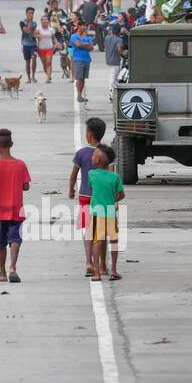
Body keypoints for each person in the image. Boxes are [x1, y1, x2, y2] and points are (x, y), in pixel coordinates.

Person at [0, 128, 31, 283]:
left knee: (1, 242)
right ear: (11, 144)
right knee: (15, 239)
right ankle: (13, 267)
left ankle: (2, 273)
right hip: (16, 210)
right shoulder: (20, 164)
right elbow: (26, 187)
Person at [68, 117, 107, 277]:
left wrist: (71, 189)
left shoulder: (81, 153)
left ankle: (89, 262)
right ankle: (103, 266)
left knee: (88, 231)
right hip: (103, 198)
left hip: (85, 196)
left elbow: (74, 174)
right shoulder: (107, 153)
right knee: (102, 232)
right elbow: (111, 173)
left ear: (89, 134)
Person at [88, 144, 123, 281]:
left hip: (98, 212)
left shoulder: (92, 174)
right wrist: (114, 199)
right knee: (114, 241)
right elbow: (121, 194)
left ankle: (97, 273)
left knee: (97, 241)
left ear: (97, 161)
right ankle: (113, 269)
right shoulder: (114, 177)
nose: (92, 157)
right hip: (110, 212)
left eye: (94, 155)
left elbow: (92, 188)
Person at [70, 21, 95, 103]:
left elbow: (91, 48)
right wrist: (86, 45)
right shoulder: (74, 36)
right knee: (79, 78)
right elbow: (78, 45)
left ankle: (80, 94)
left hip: (86, 59)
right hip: (78, 59)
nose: (85, 27)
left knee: (83, 78)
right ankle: (79, 94)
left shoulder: (87, 37)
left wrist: (84, 45)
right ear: (79, 26)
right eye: (83, 26)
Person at [17, 6, 39, 83]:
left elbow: (35, 33)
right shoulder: (22, 22)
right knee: (27, 61)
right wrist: (30, 21)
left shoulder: (35, 23)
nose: (31, 14)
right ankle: (28, 78)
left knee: (34, 58)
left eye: (32, 13)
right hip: (25, 44)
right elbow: (27, 31)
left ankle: (33, 75)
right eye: (29, 13)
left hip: (33, 44)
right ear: (26, 13)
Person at [104, 25, 125, 98]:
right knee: (113, 77)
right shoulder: (119, 39)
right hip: (115, 60)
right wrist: (123, 53)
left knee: (112, 76)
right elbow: (119, 49)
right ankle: (111, 93)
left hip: (108, 59)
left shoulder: (107, 38)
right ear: (119, 33)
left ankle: (111, 92)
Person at [36, 14, 56, 83]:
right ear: (41, 21)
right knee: (44, 64)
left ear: (48, 21)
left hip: (49, 48)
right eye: (43, 20)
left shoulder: (51, 29)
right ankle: (48, 75)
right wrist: (41, 35)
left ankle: (48, 78)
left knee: (49, 63)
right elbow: (34, 35)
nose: (44, 21)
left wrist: (57, 43)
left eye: (46, 20)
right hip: (41, 49)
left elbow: (53, 38)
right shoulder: (38, 29)